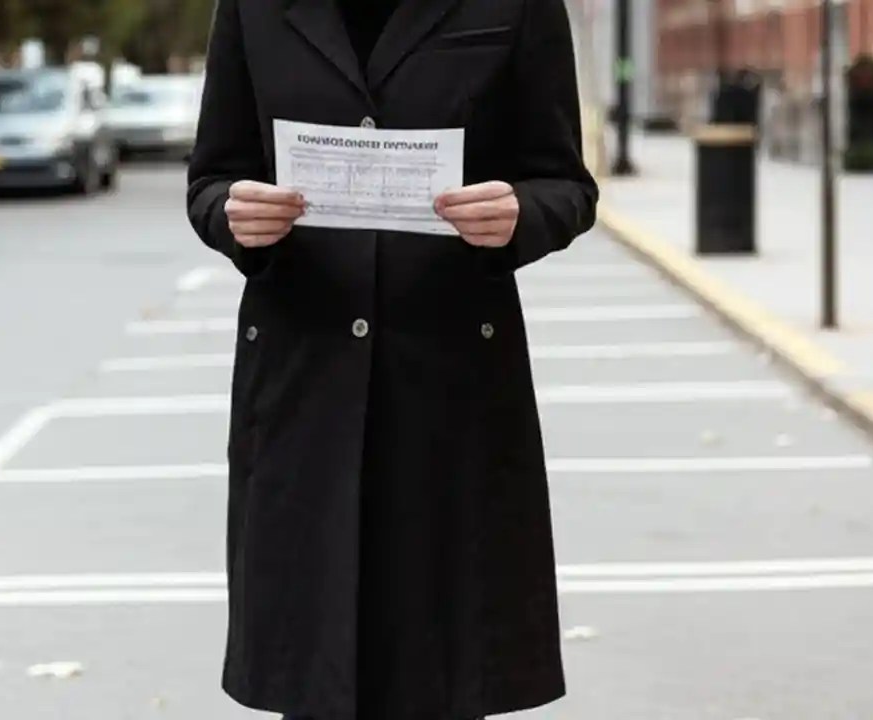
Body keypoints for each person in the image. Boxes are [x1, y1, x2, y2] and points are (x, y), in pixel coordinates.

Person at [185, 0, 598, 718]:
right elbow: (211, 179)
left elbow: (565, 185)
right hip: (302, 384)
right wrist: (231, 214)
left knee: (442, 669)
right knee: (315, 674)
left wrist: (522, 215)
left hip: (451, 388)